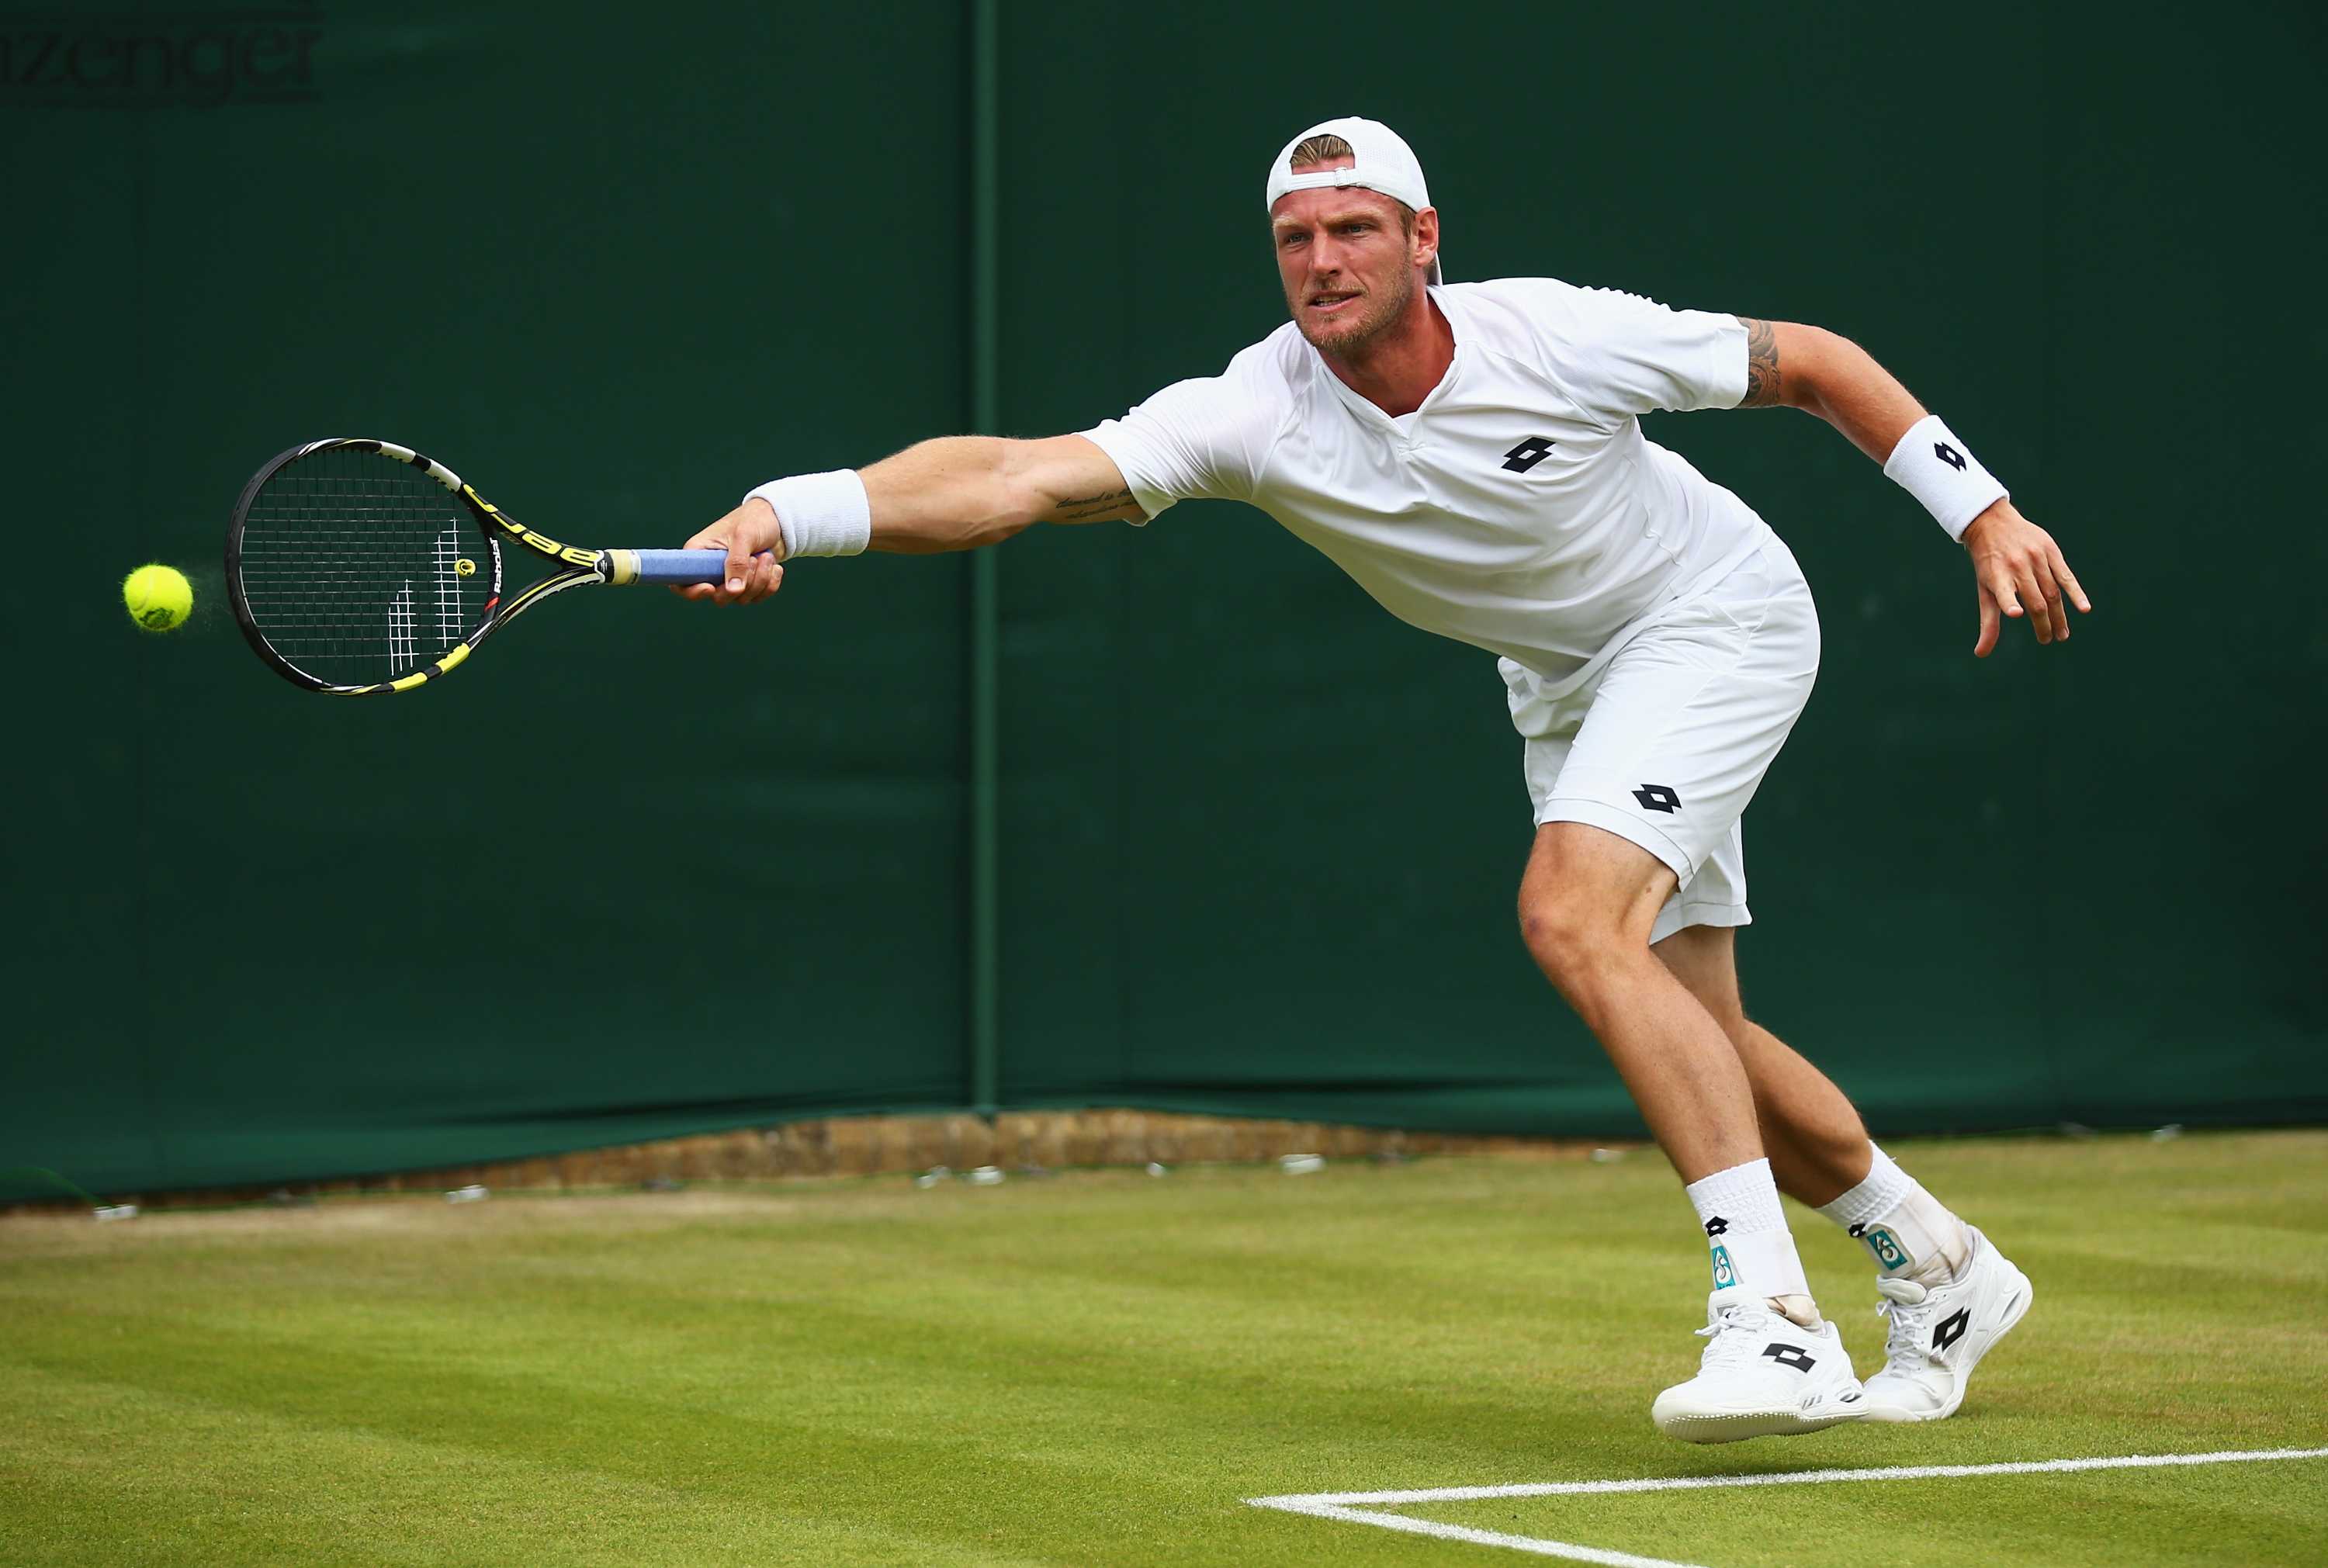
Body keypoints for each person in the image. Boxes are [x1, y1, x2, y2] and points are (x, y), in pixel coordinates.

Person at [677, 116, 2088, 1444]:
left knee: (1569, 921)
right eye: (1295, 237)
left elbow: (1820, 363)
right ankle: (1941, 1265)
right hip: (1567, 681)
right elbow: (1015, 477)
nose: (1322, 261)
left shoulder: (1561, 334)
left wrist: (1983, 510)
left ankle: (1775, 1322)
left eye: (1352, 229)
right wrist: (788, 514)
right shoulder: (1253, 407)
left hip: (1713, 617)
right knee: (1694, 1026)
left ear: (1424, 239)